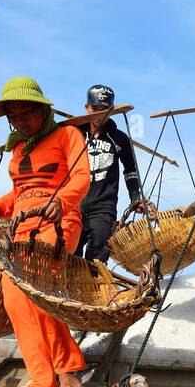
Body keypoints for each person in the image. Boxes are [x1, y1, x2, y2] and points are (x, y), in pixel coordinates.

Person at [0, 76, 92, 387]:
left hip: (58, 220)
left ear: (41, 109)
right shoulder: (18, 148)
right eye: (13, 117)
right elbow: (20, 193)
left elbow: (82, 178)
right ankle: (42, 379)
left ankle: (67, 368)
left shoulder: (68, 135)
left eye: (25, 113)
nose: (19, 121)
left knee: (41, 289)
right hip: (19, 227)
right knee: (14, 298)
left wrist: (62, 200)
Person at [77, 83, 152, 262]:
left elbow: (131, 170)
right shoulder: (74, 133)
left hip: (103, 207)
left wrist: (136, 198)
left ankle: (94, 288)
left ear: (112, 111)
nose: (99, 114)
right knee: (67, 255)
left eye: (105, 110)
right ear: (86, 107)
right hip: (74, 205)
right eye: (95, 108)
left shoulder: (119, 139)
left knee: (97, 258)